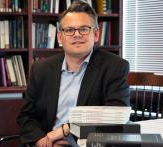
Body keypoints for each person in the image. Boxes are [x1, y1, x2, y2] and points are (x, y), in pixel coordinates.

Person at [17, 0, 130, 146]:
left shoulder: (115, 67)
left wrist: (65, 129)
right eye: (69, 30)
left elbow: (115, 115)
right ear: (60, 37)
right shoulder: (41, 69)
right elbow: (27, 117)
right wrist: (42, 142)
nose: (76, 35)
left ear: (96, 34)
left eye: (83, 29)